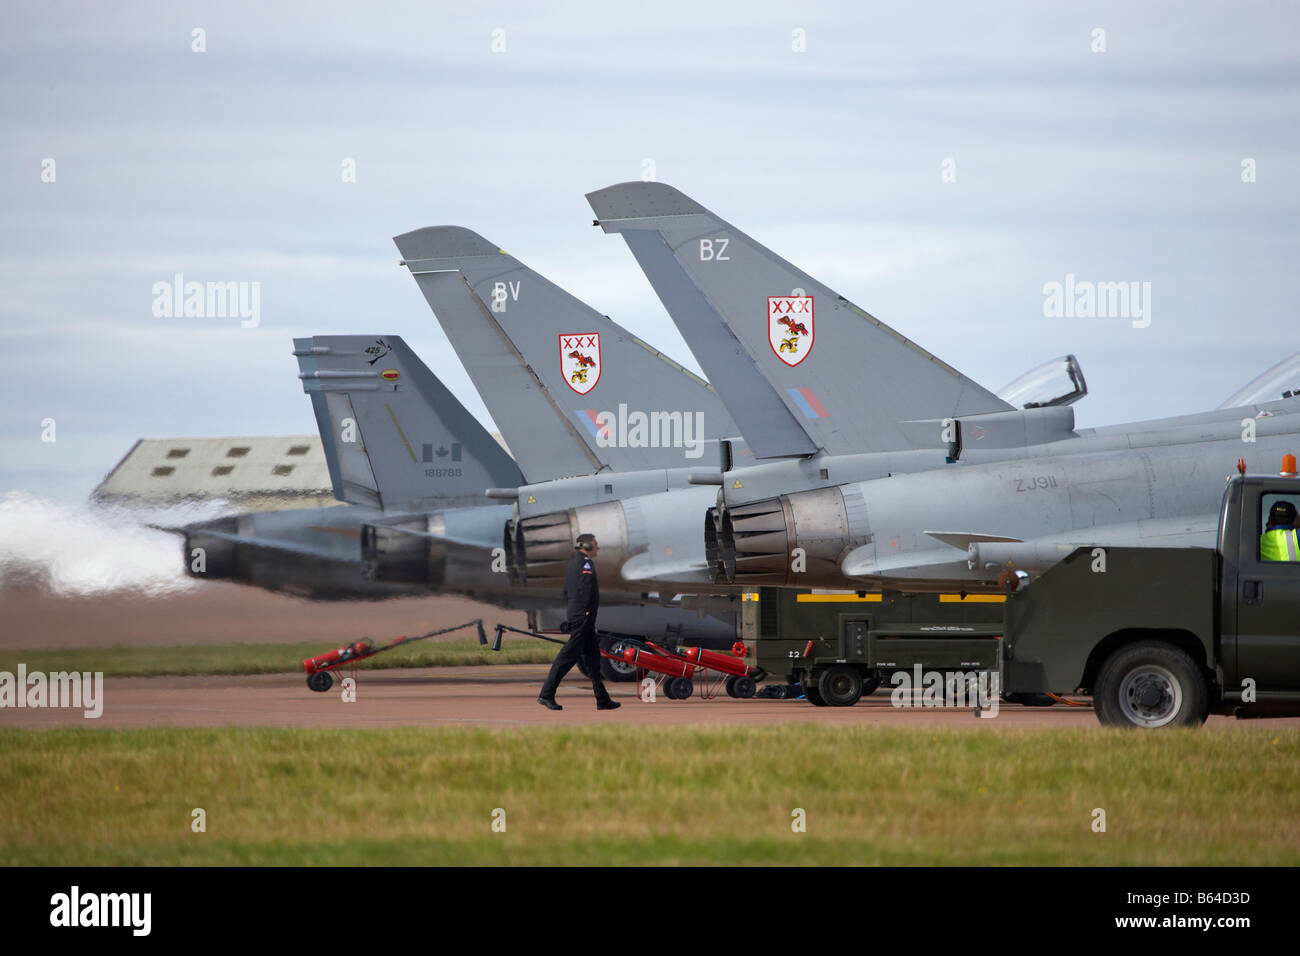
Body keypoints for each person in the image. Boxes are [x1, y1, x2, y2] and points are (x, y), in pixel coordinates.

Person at [537, 533, 620, 710]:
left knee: (593, 660)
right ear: (588, 546)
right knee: (567, 658)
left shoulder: (574, 563)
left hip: (581, 616)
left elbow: (566, 591)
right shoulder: (585, 563)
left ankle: (602, 699)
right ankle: (546, 694)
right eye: (595, 544)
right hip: (584, 617)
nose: (598, 547)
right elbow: (586, 590)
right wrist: (585, 612)